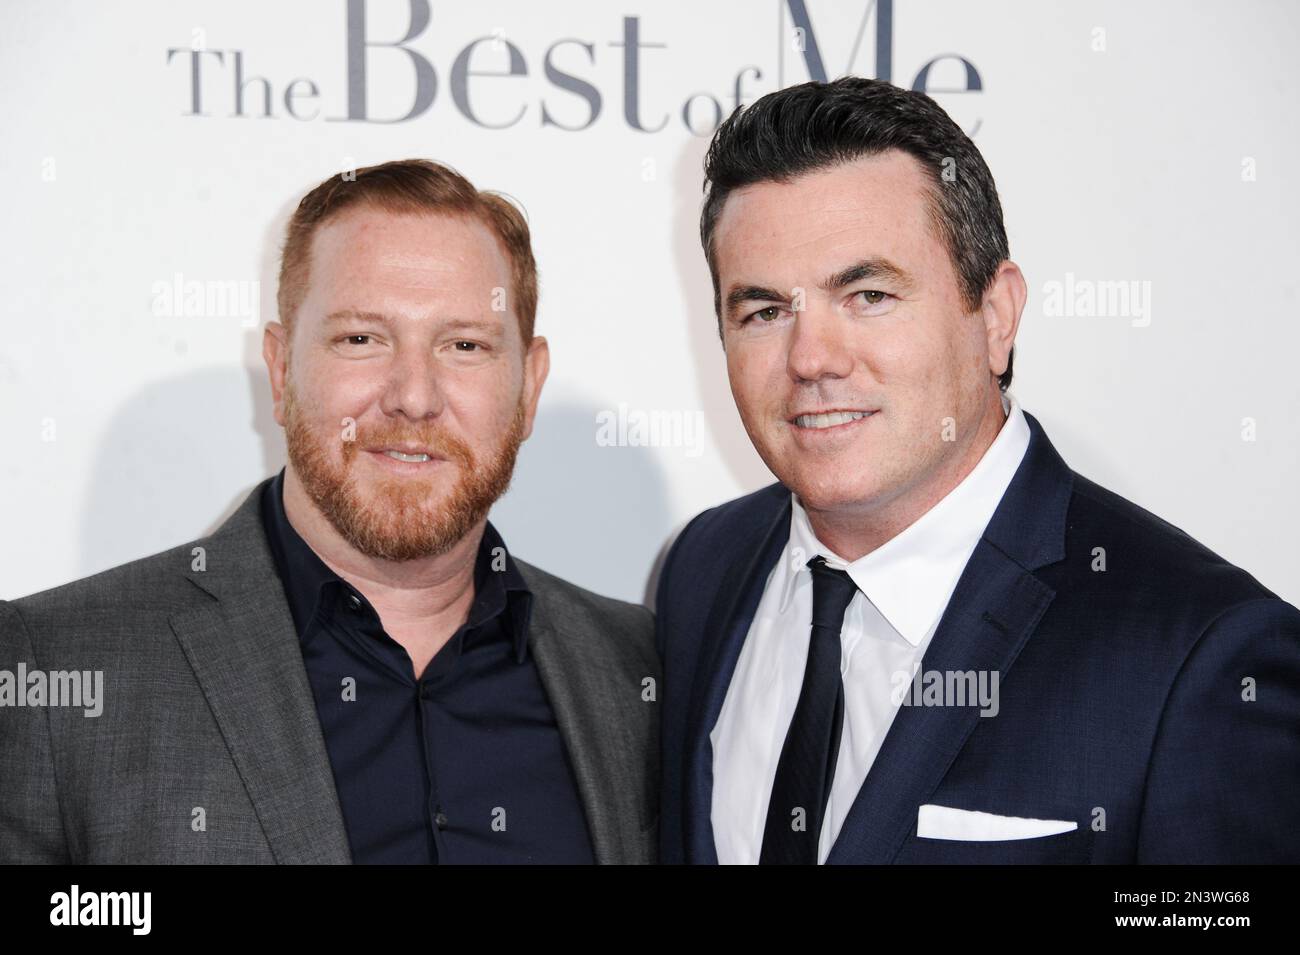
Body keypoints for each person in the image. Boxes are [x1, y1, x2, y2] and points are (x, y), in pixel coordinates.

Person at [655, 77, 1300, 864]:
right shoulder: (704, 570)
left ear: (995, 316)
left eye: (867, 294)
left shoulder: (1200, 658)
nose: (812, 359)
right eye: (763, 312)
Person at [0, 159, 659, 864]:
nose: (413, 396)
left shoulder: (643, 668)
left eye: (464, 345)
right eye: (361, 339)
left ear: (528, 386)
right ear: (281, 371)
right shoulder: (54, 672)